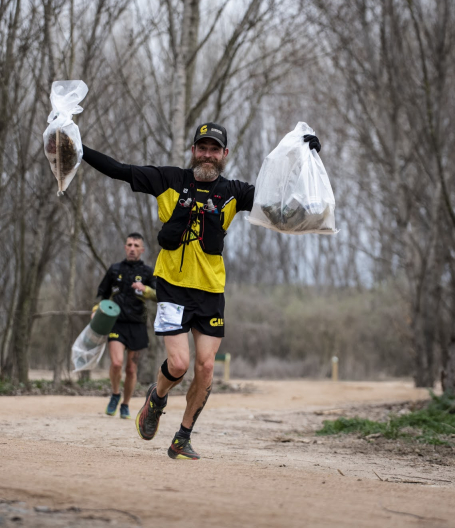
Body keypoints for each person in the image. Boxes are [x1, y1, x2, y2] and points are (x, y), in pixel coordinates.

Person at [82, 123, 320, 459]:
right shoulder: (169, 180)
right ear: (194, 151)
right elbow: (119, 170)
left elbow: (278, 200)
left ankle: (183, 436)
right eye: (201, 148)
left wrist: (302, 158)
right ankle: (157, 397)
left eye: (214, 149)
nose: (207, 155)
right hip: (171, 287)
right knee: (179, 364)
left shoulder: (235, 191)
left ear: (224, 154)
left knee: (206, 368)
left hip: (210, 291)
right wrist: (78, 147)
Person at [95, 233, 156, 419]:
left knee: (131, 369)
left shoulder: (147, 272)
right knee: (116, 363)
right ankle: (115, 394)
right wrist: (96, 309)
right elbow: (102, 293)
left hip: (137, 325)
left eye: (136, 245)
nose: (132, 248)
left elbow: (158, 295)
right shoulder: (114, 269)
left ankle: (125, 404)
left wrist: (144, 289)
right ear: (125, 247)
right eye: (129, 244)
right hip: (116, 323)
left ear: (142, 250)